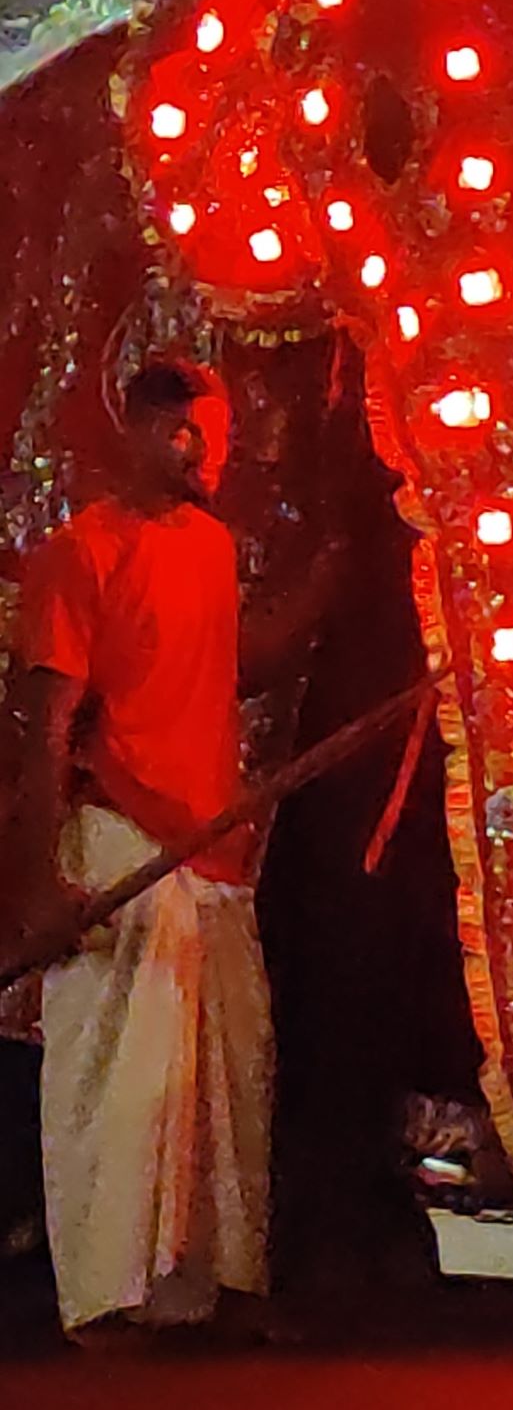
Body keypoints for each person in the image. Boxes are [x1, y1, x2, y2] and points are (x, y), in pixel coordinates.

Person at [5, 361, 322, 1345]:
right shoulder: (80, 553)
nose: (203, 452)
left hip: (213, 843)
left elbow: (235, 664)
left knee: (225, 1081)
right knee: (125, 1080)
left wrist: (330, 585)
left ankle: (206, 1290)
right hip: (121, 833)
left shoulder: (216, 549)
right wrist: (36, 884)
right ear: (134, 431)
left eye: (214, 434)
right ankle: (107, 1299)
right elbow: (43, 733)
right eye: (183, 431)